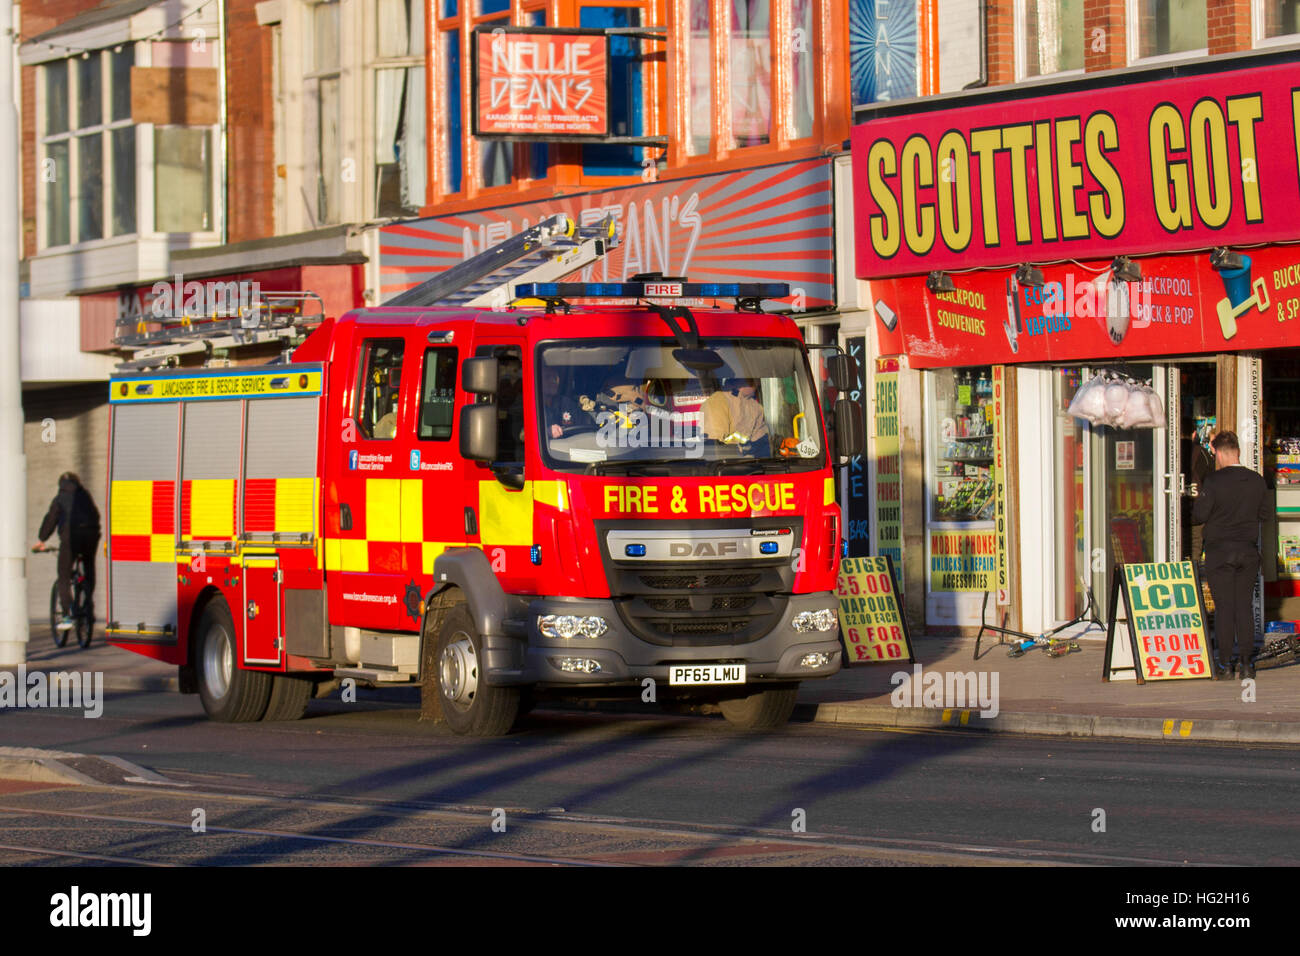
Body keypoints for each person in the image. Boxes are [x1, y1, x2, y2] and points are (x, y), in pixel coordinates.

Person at [1191, 431, 1271, 678]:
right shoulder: (1257, 480)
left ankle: (1225, 664)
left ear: (1220, 452)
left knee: (1224, 607)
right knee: (1243, 606)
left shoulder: (1214, 482)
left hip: (1219, 551)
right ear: (1237, 450)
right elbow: (1266, 514)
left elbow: (1200, 516)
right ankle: (1247, 663)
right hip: (1247, 551)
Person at [34, 472, 101, 632]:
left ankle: (66, 615)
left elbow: (51, 519)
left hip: (71, 539)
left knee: (63, 576)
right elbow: (96, 515)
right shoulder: (84, 495)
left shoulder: (61, 497)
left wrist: (42, 539)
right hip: (91, 536)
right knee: (89, 568)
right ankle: (88, 606)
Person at [699, 377, 770, 456]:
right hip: (727, 461)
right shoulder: (718, 401)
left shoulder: (755, 406)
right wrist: (743, 445)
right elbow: (715, 441)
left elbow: (760, 435)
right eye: (756, 383)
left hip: (752, 461)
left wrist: (768, 442)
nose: (757, 386)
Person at [542, 367, 593, 439]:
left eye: (555, 377)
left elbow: (587, 425)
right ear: (537, 381)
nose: (553, 381)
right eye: (547, 377)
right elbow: (523, 435)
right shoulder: (532, 406)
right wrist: (545, 432)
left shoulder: (566, 403)